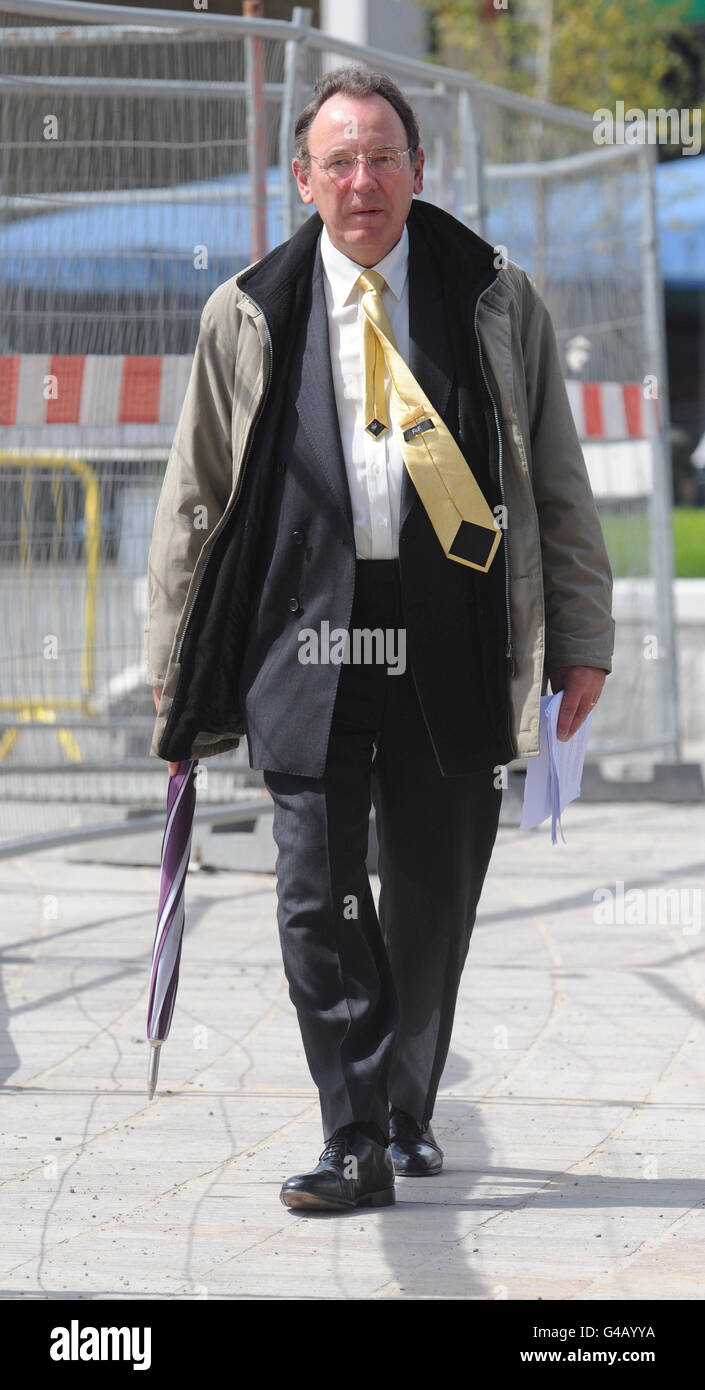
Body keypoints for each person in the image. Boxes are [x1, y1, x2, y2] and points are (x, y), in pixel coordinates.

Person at [146, 66, 615, 1213]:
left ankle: (406, 1113)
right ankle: (350, 1134)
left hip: (449, 630)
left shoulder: (493, 296)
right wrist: (175, 677)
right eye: (339, 160)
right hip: (299, 633)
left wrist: (582, 635)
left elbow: (555, 481)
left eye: (384, 157)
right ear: (302, 178)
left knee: (431, 887)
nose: (364, 180)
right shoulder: (248, 312)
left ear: (420, 169)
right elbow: (192, 501)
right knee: (315, 892)